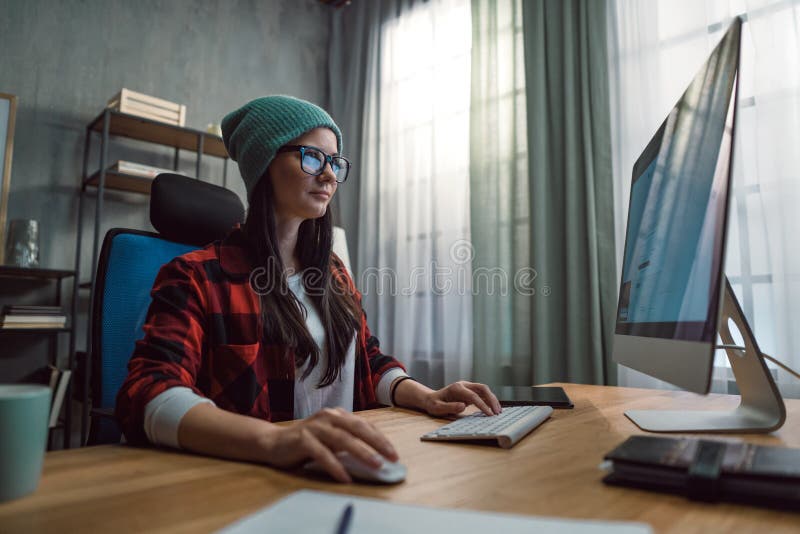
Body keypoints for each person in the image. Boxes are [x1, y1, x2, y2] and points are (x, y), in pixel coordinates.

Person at [115, 95, 501, 483]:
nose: (330, 175)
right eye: (312, 157)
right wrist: (276, 441)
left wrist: (427, 396)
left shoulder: (332, 273)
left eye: (334, 161)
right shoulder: (195, 277)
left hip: (340, 474)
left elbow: (368, 360)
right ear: (265, 164)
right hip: (248, 483)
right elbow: (148, 392)